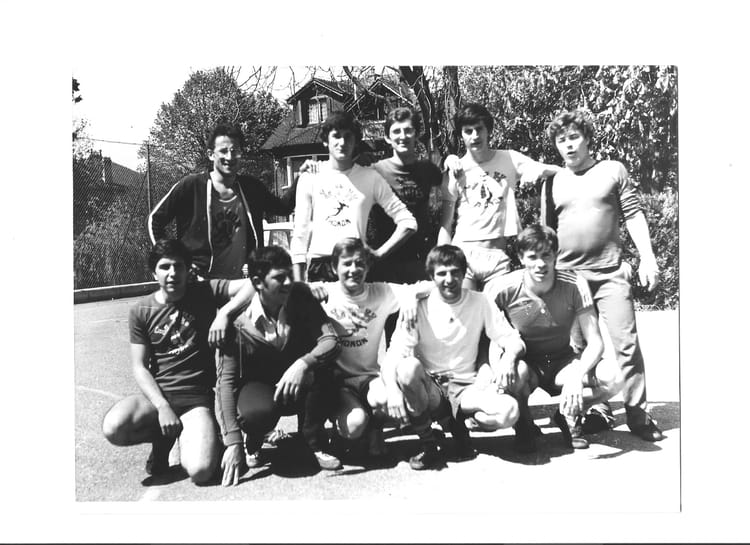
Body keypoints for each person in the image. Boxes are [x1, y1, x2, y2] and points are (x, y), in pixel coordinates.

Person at [542, 108, 664, 442]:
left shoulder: (612, 170)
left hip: (611, 274)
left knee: (627, 346)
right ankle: (596, 410)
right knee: (579, 352)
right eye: (561, 140)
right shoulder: (552, 180)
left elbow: (633, 214)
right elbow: (545, 235)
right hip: (569, 280)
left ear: (588, 139)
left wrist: (647, 258)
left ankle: (638, 417)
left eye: (574, 137)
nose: (568, 145)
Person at [101, 239, 254, 484]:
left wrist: (225, 313)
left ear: (187, 269)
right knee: (114, 427)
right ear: (154, 273)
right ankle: (162, 442)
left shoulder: (205, 292)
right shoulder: (141, 310)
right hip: (160, 397)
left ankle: (205, 432)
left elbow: (252, 283)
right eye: (165, 267)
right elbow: (139, 367)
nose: (172, 273)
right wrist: (162, 406)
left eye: (178, 266)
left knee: (201, 471)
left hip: (197, 400)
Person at [383, 244, 527, 470]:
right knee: (407, 369)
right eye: (441, 273)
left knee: (509, 412)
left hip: (466, 388)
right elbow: (394, 354)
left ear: (464, 273)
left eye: (455, 272)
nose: (449, 280)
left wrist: (509, 358)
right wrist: (392, 390)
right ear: (431, 276)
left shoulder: (480, 301)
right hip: (433, 389)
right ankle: (428, 443)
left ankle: (463, 423)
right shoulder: (416, 307)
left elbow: (512, 339)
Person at [216, 246, 343, 483]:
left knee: (329, 373)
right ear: (257, 282)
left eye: (290, 276)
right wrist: (232, 441)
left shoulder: (301, 297)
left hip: (299, 381)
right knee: (254, 413)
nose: (288, 283)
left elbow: (331, 341)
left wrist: (303, 364)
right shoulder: (236, 321)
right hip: (261, 387)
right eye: (279, 278)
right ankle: (254, 439)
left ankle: (313, 441)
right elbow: (226, 383)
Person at [491, 224, 624, 452]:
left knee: (615, 377)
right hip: (527, 364)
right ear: (521, 257)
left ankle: (567, 414)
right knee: (515, 374)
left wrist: (577, 375)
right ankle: (524, 425)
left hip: (563, 362)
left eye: (546, 255)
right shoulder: (503, 287)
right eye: (532, 257)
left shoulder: (575, 284)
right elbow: (489, 332)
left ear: (555, 255)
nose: (540, 264)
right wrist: (500, 364)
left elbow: (595, 342)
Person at [308, 237, 429, 461]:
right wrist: (306, 290)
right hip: (337, 382)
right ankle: (341, 431)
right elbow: (286, 291)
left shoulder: (381, 292)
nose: (354, 269)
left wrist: (412, 296)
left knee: (388, 400)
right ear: (334, 268)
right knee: (354, 424)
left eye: (360, 263)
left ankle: (376, 429)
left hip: (368, 376)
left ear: (368, 267)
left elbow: (428, 286)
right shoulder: (325, 292)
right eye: (347, 263)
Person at [438, 103, 561, 293]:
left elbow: (549, 170)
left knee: (499, 310)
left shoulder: (509, 159)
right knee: (466, 310)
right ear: (461, 134)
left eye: (479, 129)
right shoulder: (455, 169)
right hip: (463, 254)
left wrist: (576, 171)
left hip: (497, 257)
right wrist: (441, 262)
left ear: (488, 130)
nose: (475, 136)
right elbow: (445, 225)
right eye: (468, 131)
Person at [148, 123, 297, 280]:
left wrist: (301, 177)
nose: (230, 157)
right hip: (201, 283)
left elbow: (284, 207)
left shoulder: (252, 188)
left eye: (235, 151)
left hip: (241, 284)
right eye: (223, 151)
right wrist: (176, 261)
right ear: (211, 154)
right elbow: (155, 221)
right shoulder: (192, 185)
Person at [290, 111, 417, 282]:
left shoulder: (371, 178)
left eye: (348, 137)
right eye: (336, 136)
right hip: (321, 267)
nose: (342, 142)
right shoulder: (310, 177)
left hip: (356, 267)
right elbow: (300, 234)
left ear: (356, 141)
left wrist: (379, 254)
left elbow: (408, 222)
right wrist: (299, 284)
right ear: (326, 140)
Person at [367, 107, 443, 284]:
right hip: (384, 265)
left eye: (408, 130)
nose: (403, 136)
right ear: (387, 137)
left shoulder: (428, 170)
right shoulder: (375, 172)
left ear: (416, 135)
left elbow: (452, 191)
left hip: (420, 263)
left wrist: (453, 160)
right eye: (396, 131)